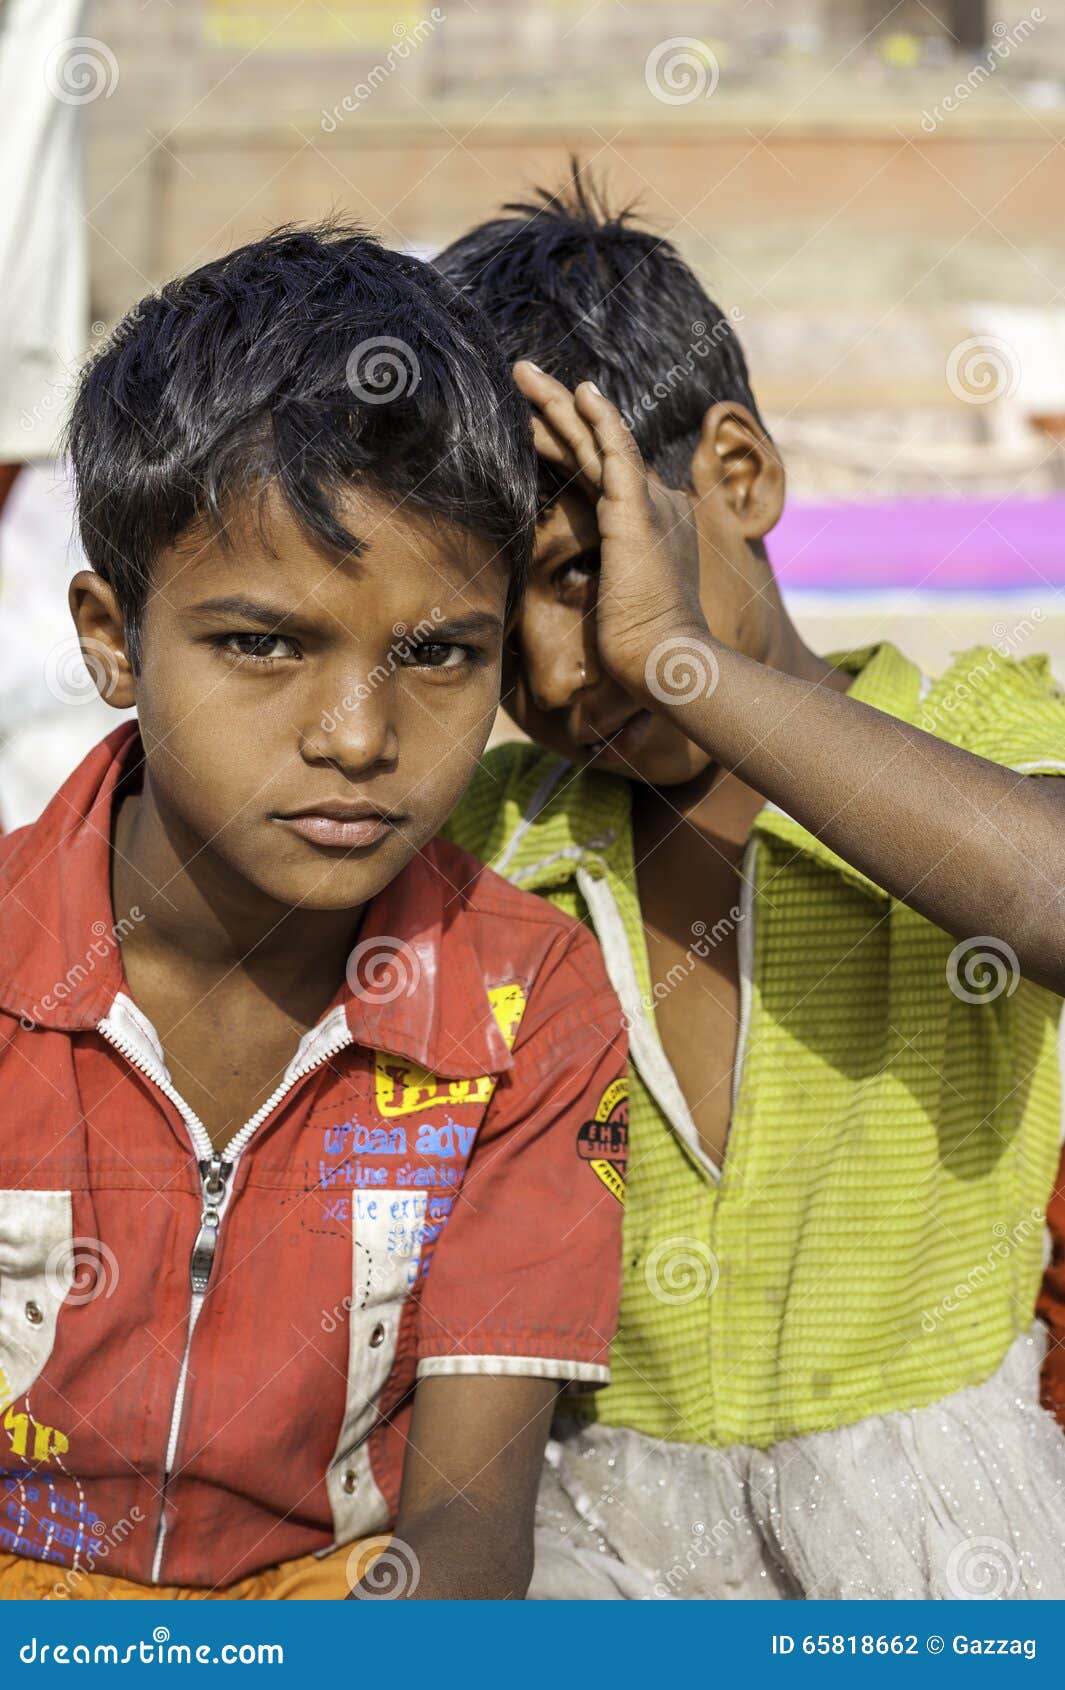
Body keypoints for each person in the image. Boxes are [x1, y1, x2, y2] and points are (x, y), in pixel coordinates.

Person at [437, 179, 1065, 1600]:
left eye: (586, 570)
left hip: (942, 1548)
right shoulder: (497, 838)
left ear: (737, 477)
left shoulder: (972, 738)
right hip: (591, 1538)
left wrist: (684, 660)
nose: (552, 668)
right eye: (490, 625)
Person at [0, 225, 627, 1600]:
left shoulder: (528, 1008)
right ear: (110, 637)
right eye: (262, 644)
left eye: (439, 655)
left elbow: (464, 1538)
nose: (356, 736)